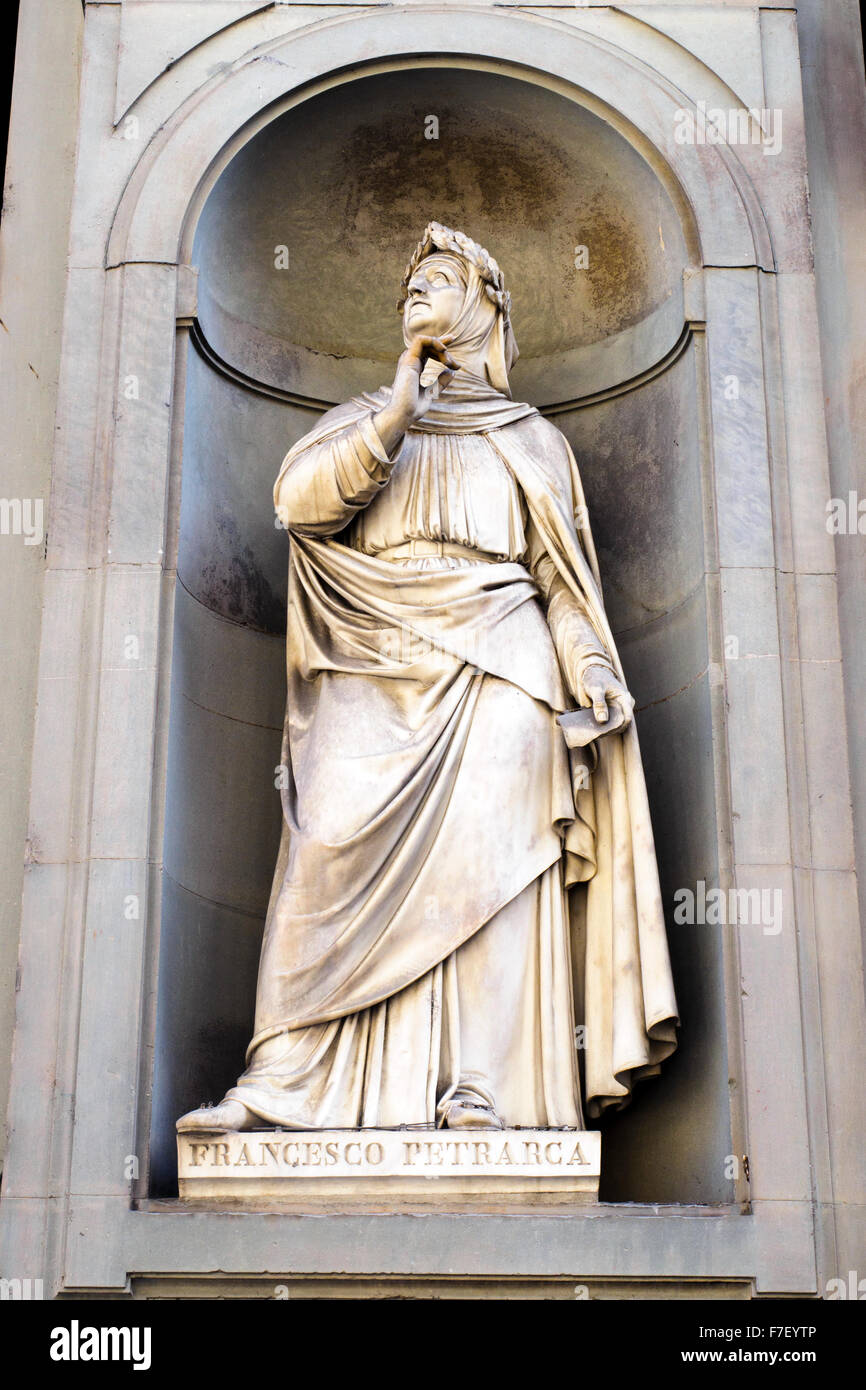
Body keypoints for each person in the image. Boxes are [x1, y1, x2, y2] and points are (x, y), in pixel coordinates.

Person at [177, 222, 678, 1136]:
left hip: (503, 667)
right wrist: (396, 416)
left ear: (487, 304)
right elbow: (298, 503)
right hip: (366, 669)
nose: (416, 290)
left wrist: (595, 666)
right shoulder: (366, 417)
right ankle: (287, 1080)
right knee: (323, 849)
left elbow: (565, 586)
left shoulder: (533, 443)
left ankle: (482, 1085)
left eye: (439, 277)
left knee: (494, 869)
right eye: (410, 283)